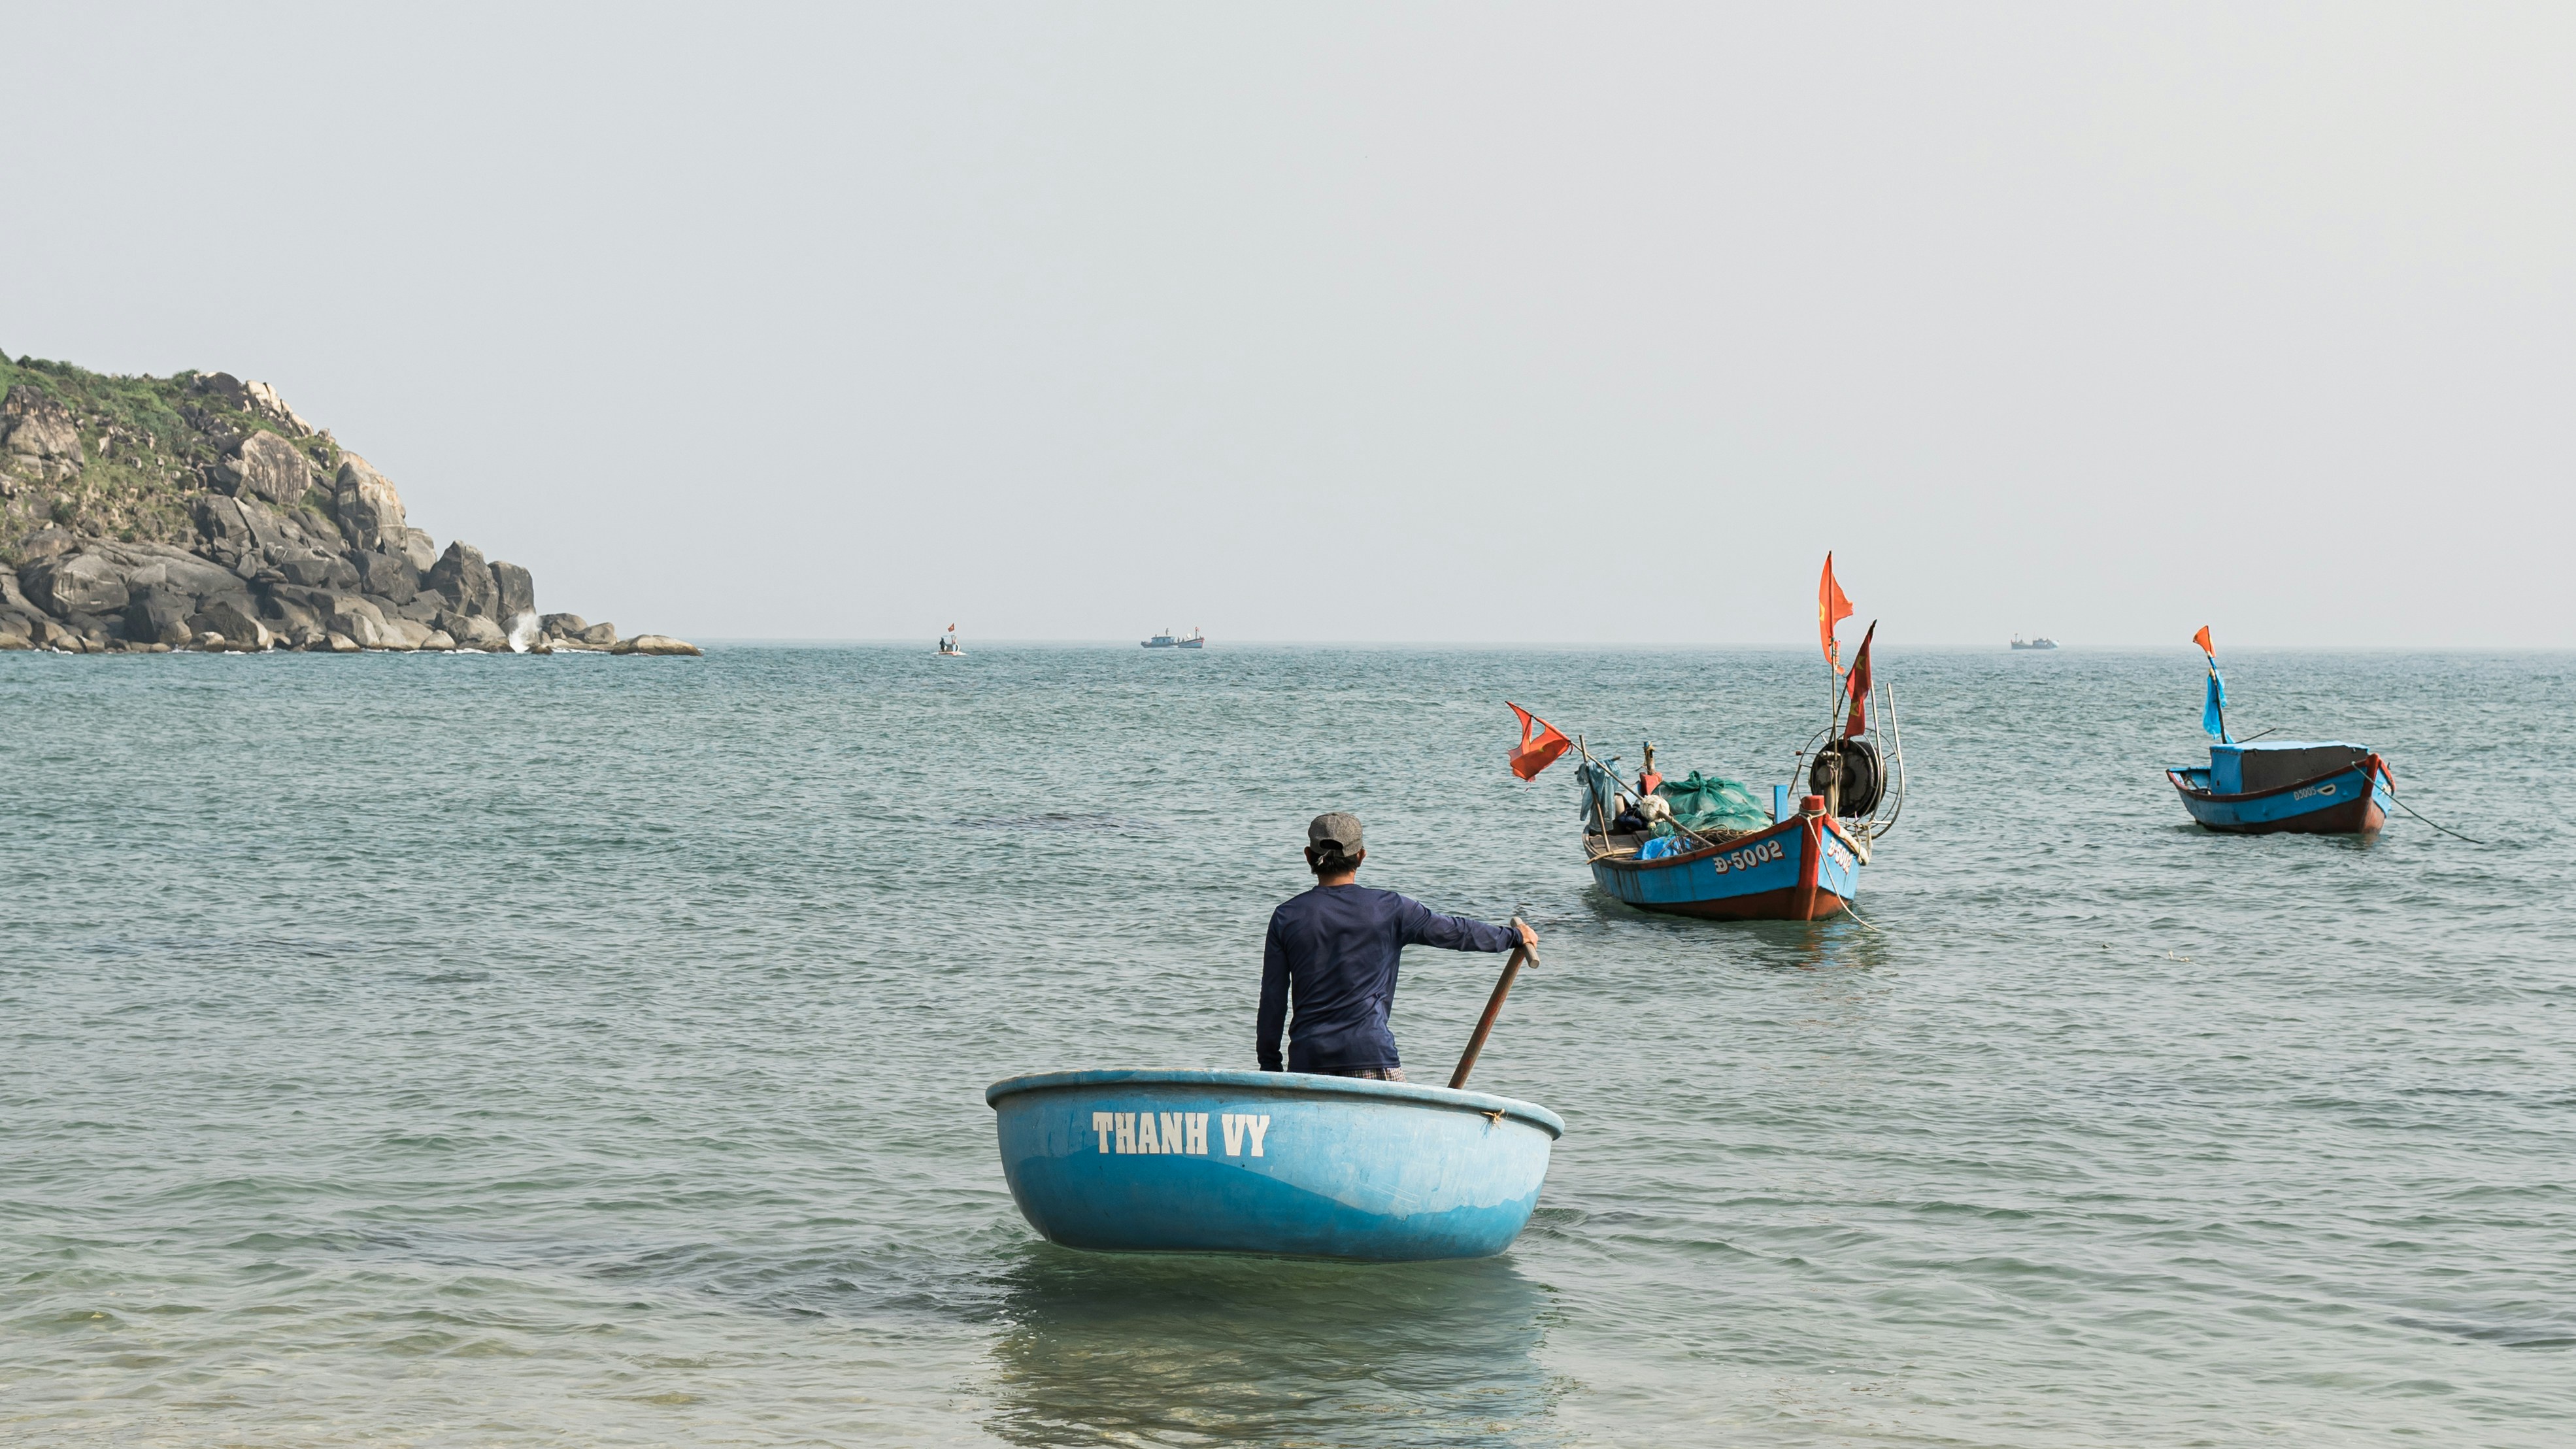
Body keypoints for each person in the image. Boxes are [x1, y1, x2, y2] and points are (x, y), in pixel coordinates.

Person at [1258, 812, 1537, 1082]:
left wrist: (1270, 1067)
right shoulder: (1391, 909)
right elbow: (1455, 932)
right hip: (1373, 1056)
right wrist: (1512, 937)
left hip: (1309, 1062)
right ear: (1361, 856)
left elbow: (1273, 1000)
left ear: (1308, 856)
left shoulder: (1287, 916)